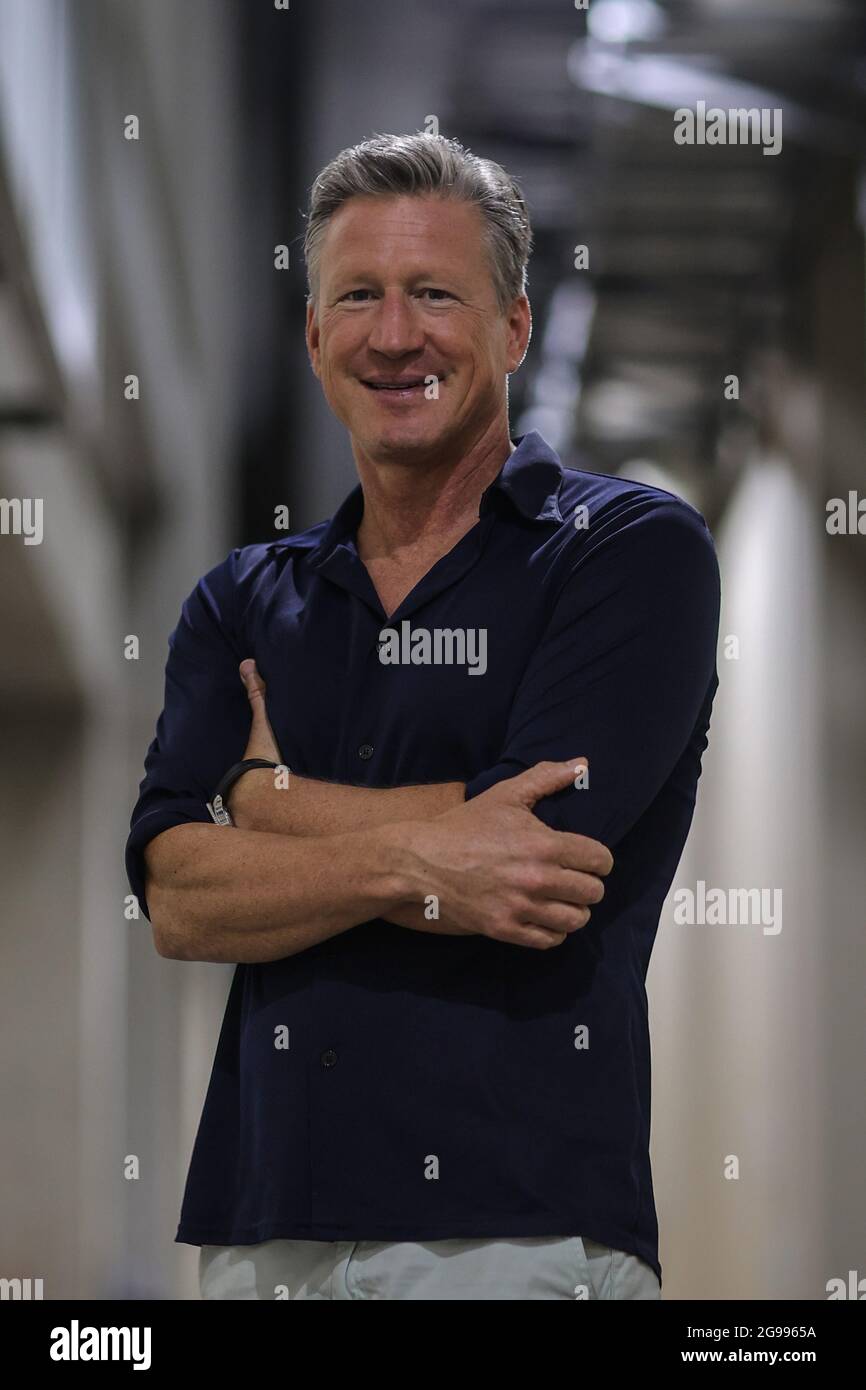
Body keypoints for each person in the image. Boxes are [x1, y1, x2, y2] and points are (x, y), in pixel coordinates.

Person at [125, 132, 721, 1301]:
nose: (393, 335)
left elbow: (528, 857)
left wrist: (258, 801)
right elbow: (179, 896)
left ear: (513, 329)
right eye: (358, 296)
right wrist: (420, 849)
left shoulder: (630, 554)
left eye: (433, 294)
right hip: (263, 1233)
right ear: (313, 337)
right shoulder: (242, 597)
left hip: (509, 1231)